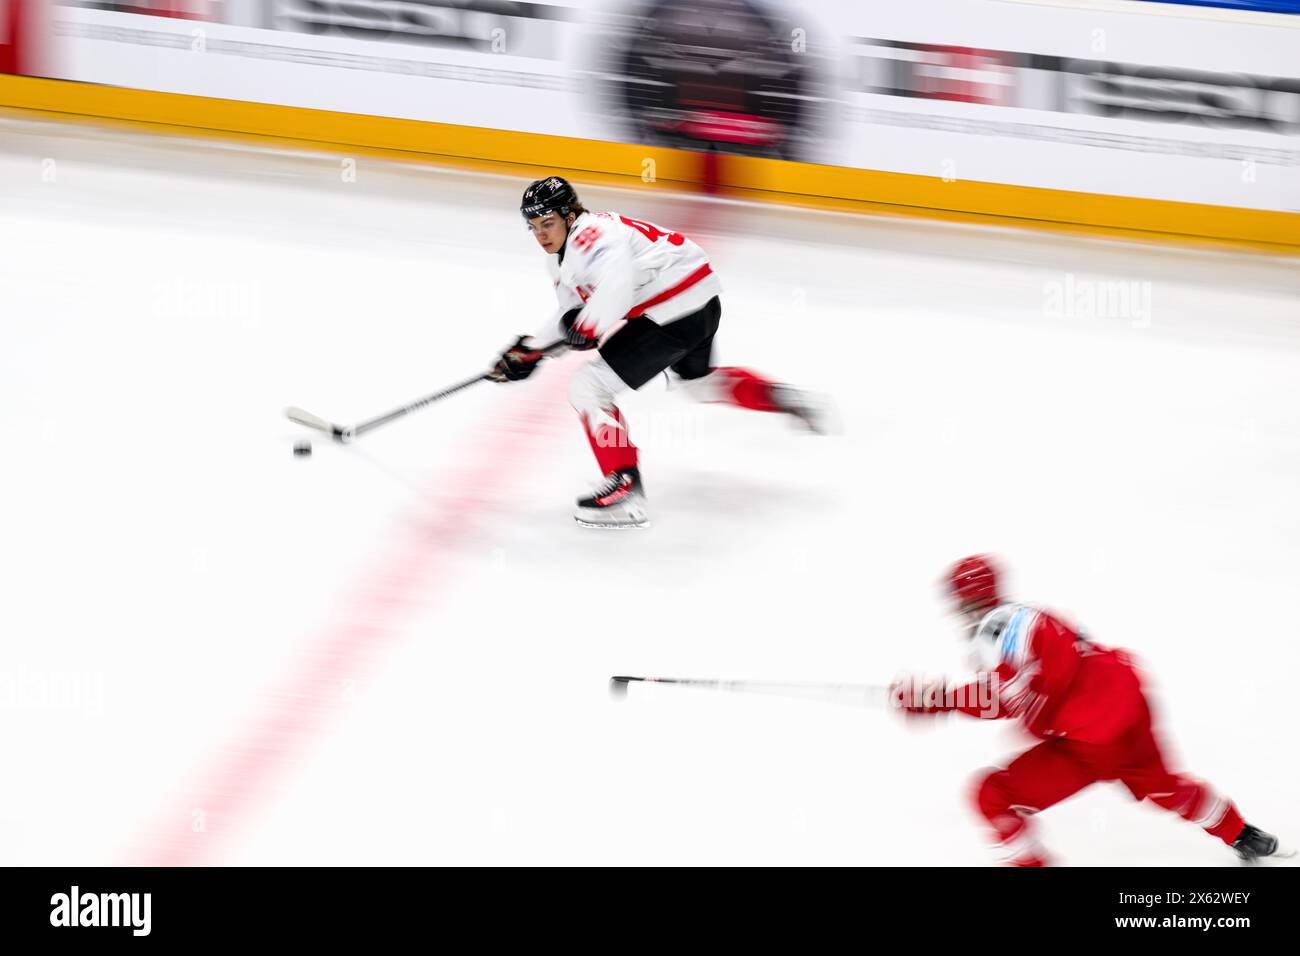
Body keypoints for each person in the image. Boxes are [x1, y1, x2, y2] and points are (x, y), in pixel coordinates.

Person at [891, 555, 1292, 866]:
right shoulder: (1031, 613)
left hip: (1085, 740)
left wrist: (937, 698)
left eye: (959, 604)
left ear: (966, 600)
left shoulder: (994, 628)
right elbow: (1046, 676)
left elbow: (1004, 697)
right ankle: (1242, 834)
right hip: (1127, 713)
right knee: (1168, 788)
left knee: (993, 795)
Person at [490, 176, 828, 528]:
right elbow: (570, 314)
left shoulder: (591, 235)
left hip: (672, 312)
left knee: (588, 387)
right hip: (698, 304)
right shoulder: (566, 254)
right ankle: (776, 396)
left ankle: (625, 489)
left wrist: (589, 327)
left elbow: (615, 289)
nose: (541, 234)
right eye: (534, 227)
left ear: (570, 216)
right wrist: (529, 351)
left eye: (548, 223)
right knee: (698, 385)